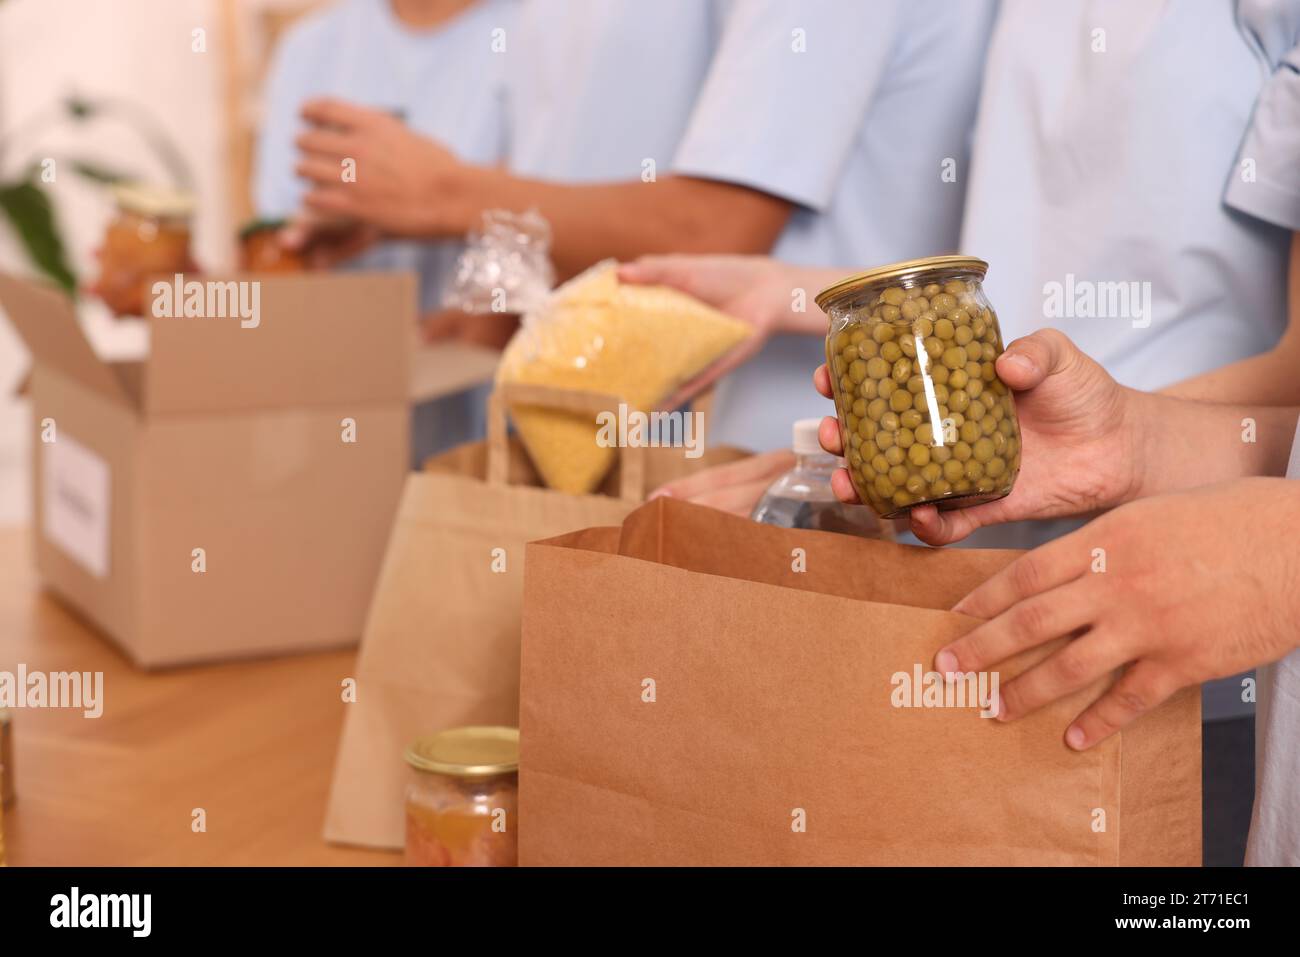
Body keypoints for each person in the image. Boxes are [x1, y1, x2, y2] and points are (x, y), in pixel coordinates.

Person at [285, 0, 998, 452]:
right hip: (629, 421)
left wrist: (441, 192)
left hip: (797, 441)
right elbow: (579, 150)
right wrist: (493, 296)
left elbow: (715, 222)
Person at [254, 0, 515, 458]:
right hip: (341, 437)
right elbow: (280, 254)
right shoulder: (313, 48)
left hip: (494, 436)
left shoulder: (545, 36)